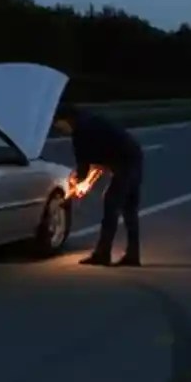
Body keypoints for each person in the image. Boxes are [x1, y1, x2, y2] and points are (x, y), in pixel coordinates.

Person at [52, 102, 144, 267]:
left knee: (111, 204)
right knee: (129, 209)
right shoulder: (89, 121)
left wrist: (74, 186)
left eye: (58, 126)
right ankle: (133, 255)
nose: (60, 131)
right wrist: (84, 183)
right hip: (133, 155)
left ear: (66, 120)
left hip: (124, 162)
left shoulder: (80, 132)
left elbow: (84, 166)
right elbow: (97, 165)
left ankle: (103, 254)